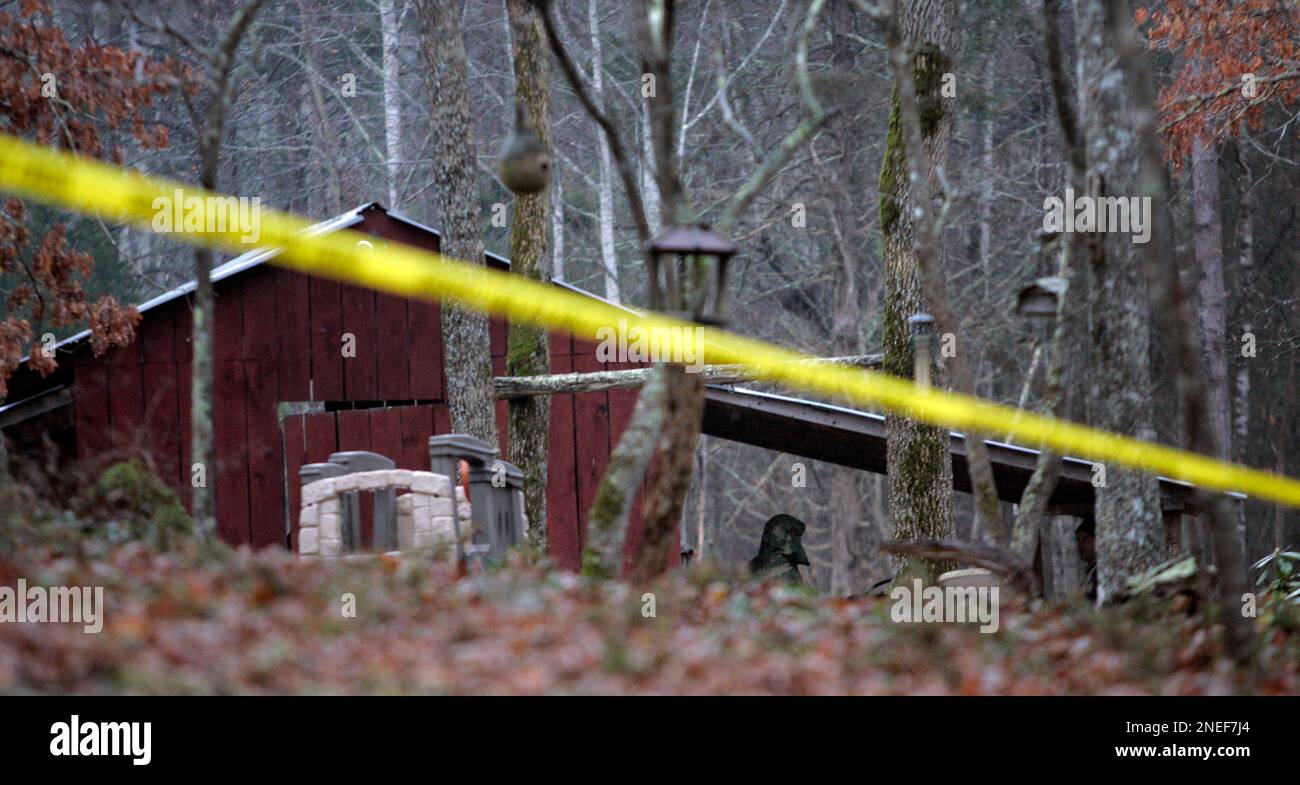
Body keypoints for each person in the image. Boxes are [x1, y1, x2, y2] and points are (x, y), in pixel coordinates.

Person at [749, 514, 811, 583]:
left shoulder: (754, 564)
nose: (796, 539)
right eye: (793, 534)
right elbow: (794, 592)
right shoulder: (784, 566)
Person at [1075, 516, 1098, 602]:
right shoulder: (1091, 570)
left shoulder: (1100, 572)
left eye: (1085, 539)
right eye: (1078, 540)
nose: (1080, 545)